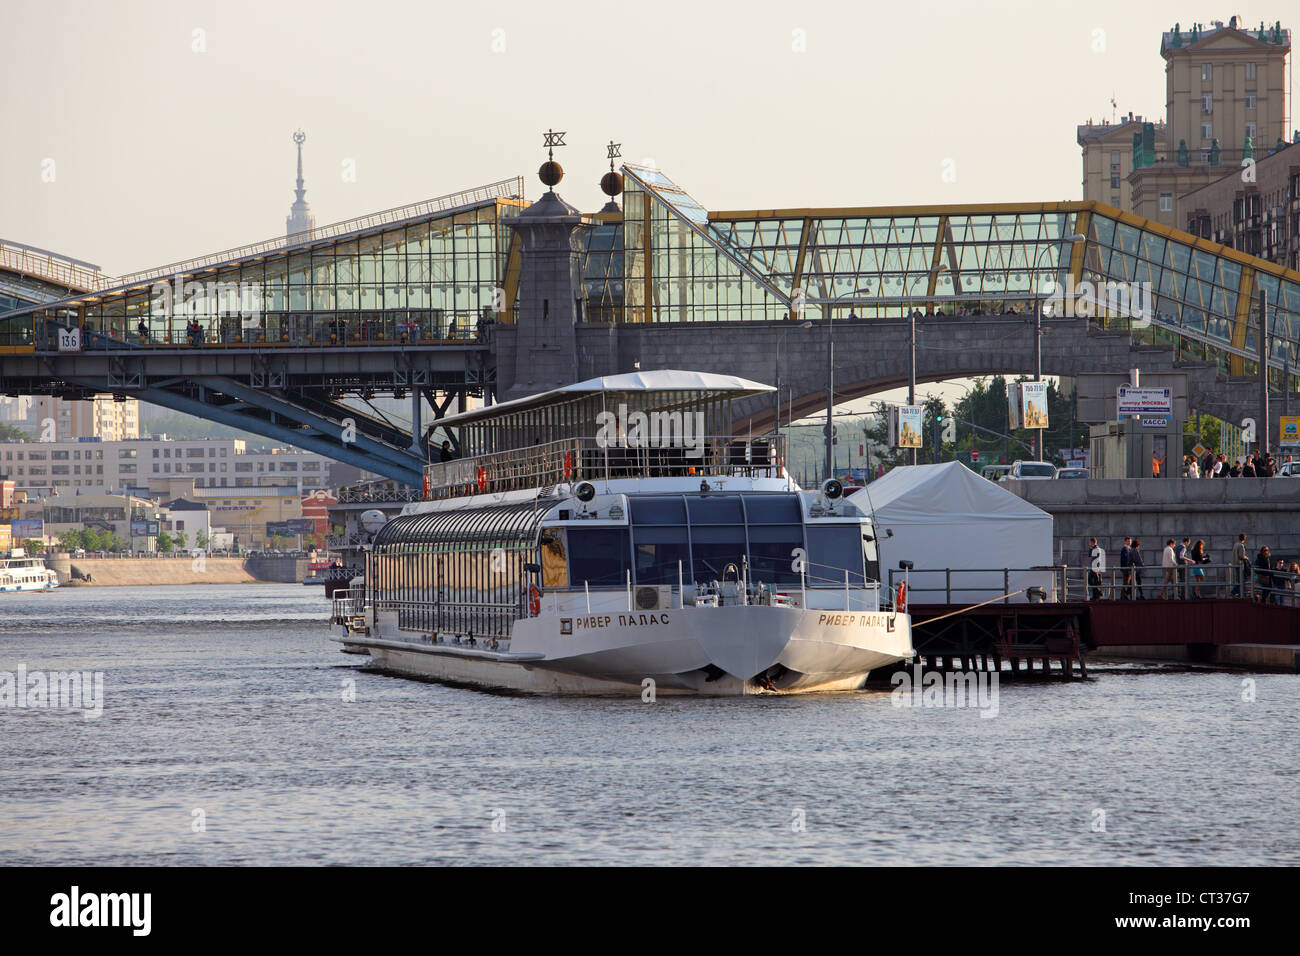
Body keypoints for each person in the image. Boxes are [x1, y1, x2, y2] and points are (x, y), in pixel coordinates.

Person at [1231, 533, 1249, 598]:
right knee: (1241, 580)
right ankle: (1235, 593)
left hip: (1235, 564)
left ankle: (1238, 593)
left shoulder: (1235, 544)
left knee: (1239, 580)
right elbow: (1241, 556)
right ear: (1244, 539)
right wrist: (1246, 557)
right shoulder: (1241, 546)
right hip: (1239, 564)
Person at [1087, 537, 1105, 601]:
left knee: (1094, 582)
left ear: (1092, 542)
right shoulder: (1093, 548)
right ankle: (1097, 593)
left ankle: (1097, 594)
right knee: (1092, 581)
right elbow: (1089, 555)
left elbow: (1098, 559)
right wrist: (1090, 548)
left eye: (1090, 542)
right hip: (1093, 567)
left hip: (1095, 568)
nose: (1089, 543)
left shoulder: (1097, 549)